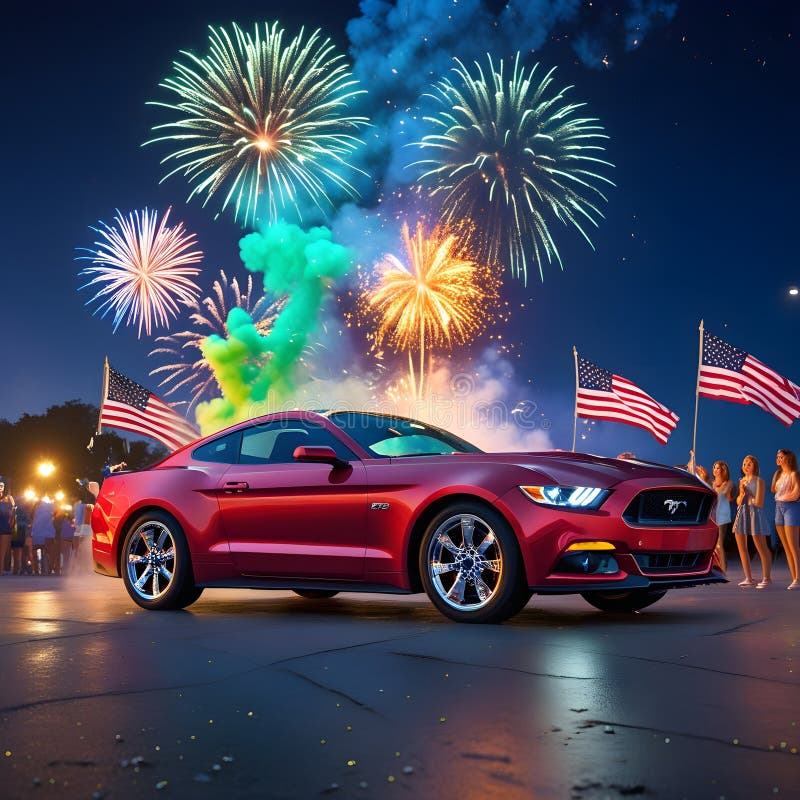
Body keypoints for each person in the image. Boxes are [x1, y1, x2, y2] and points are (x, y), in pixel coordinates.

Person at [733, 455, 771, 588]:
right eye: (744, 464)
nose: (746, 466)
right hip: (742, 513)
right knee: (741, 547)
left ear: (755, 466)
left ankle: (766, 578)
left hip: (754, 513)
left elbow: (759, 502)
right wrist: (742, 492)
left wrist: (749, 493)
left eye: (749, 464)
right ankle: (748, 578)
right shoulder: (742, 481)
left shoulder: (759, 481)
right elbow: (738, 501)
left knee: (760, 546)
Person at [772, 449, 800, 590]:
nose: (778, 459)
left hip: (790, 508)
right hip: (779, 508)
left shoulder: (794, 474)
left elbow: (796, 493)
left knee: (794, 546)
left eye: (781, 457)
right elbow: (774, 490)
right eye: (777, 456)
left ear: (788, 459)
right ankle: (794, 577)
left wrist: (783, 498)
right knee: (786, 546)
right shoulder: (779, 474)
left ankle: (798, 578)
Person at [711, 460, 734, 574]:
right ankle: (715, 568)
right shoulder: (711, 483)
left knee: (719, 543)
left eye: (718, 468)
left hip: (722, 516)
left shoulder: (728, 483)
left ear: (723, 470)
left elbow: (721, 492)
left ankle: (723, 569)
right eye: (714, 468)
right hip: (712, 515)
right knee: (713, 544)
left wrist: (714, 485)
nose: (715, 470)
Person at [0, 477, 16, 575]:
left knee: (2, 552)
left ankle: (0, 571)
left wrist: (11, 525)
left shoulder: (9, 498)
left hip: (5, 528)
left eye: (1, 485)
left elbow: (13, 514)